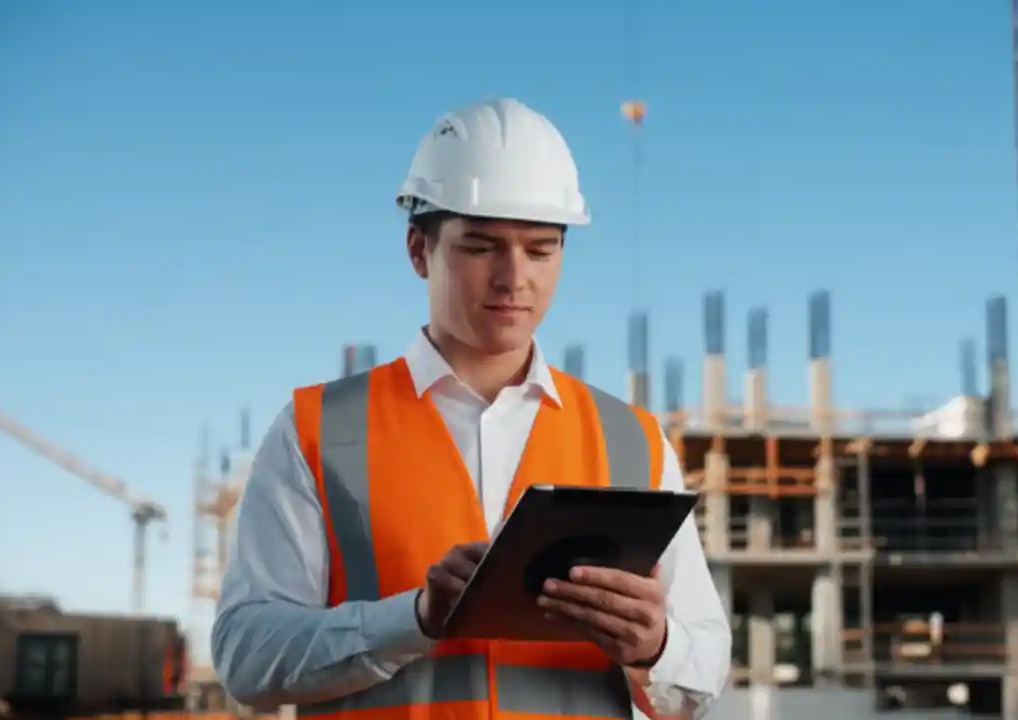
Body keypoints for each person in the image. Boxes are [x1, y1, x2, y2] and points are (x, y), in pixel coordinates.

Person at [210, 97, 731, 720]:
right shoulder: (320, 432)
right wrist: (413, 619)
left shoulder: (633, 441)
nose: (515, 278)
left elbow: (701, 676)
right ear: (418, 250)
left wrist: (656, 646)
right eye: (482, 247)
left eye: (541, 250)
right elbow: (246, 660)